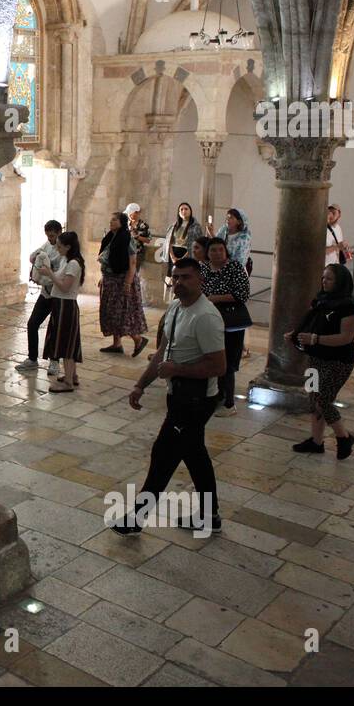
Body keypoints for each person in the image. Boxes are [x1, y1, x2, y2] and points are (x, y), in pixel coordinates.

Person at [116, 257, 226, 536]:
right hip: (177, 395)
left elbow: (218, 366)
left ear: (200, 280)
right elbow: (164, 351)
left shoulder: (207, 316)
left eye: (185, 277)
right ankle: (209, 516)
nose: (178, 283)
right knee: (194, 454)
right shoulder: (176, 308)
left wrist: (177, 369)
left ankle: (137, 517)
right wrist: (141, 385)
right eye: (175, 277)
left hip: (197, 400)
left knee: (163, 454)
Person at [286, 263, 354, 459]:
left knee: (323, 399)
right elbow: (314, 323)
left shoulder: (349, 307)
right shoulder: (321, 300)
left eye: (329, 278)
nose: (324, 281)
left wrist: (314, 339)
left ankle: (344, 437)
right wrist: (296, 335)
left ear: (340, 282)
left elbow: (345, 338)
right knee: (313, 398)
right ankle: (316, 442)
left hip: (338, 361)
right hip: (315, 358)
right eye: (323, 277)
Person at [201, 237, 250, 416]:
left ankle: (229, 403)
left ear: (226, 251)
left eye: (220, 250)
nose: (217, 253)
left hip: (231, 322)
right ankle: (215, 395)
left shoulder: (235, 267)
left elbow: (242, 293)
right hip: (208, 320)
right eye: (213, 250)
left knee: (228, 362)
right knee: (210, 358)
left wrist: (215, 298)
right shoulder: (204, 268)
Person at [37, 230, 85, 393]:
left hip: (66, 306)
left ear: (68, 247)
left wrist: (49, 273)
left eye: (59, 246)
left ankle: (69, 382)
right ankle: (73, 376)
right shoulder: (66, 259)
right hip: (59, 305)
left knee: (66, 344)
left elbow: (65, 287)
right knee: (65, 340)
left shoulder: (74, 263)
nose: (57, 249)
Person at [98, 212, 149, 356]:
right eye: (111, 219)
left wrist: (127, 283)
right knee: (111, 312)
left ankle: (138, 339)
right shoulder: (109, 237)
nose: (111, 221)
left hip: (122, 280)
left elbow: (133, 262)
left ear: (122, 222)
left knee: (123, 313)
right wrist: (103, 277)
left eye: (114, 219)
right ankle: (117, 344)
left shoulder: (127, 238)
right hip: (110, 280)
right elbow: (105, 258)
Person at [17, 220, 63, 374]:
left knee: (55, 328)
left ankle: (54, 362)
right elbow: (32, 257)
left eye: (52, 235)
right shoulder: (47, 245)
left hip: (58, 294)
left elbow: (61, 269)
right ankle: (32, 359)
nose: (50, 238)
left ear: (59, 232)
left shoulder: (64, 247)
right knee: (32, 324)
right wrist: (37, 256)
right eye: (48, 235)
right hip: (46, 293)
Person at [164, 202, 204, 282]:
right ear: (179, 213)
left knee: (183, 278)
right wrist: (172, 257)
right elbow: (169, 242)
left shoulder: (196, 226)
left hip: (187, 254)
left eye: (186, 209)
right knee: (171, 278)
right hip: (173, 255)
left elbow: (197, 243)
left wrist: (183, 258)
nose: (183, 211)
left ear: (190, 211)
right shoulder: (173, 226)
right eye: (181, 209)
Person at [125, 203, 152, 272]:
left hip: (136, 253)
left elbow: (148, 240)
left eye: (131, 213)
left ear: (137, 213)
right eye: (128, 213)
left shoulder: (143, 225)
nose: (129, 215)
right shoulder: (126, 223)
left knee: (133, 273)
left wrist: (137, 237)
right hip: (125, 252)